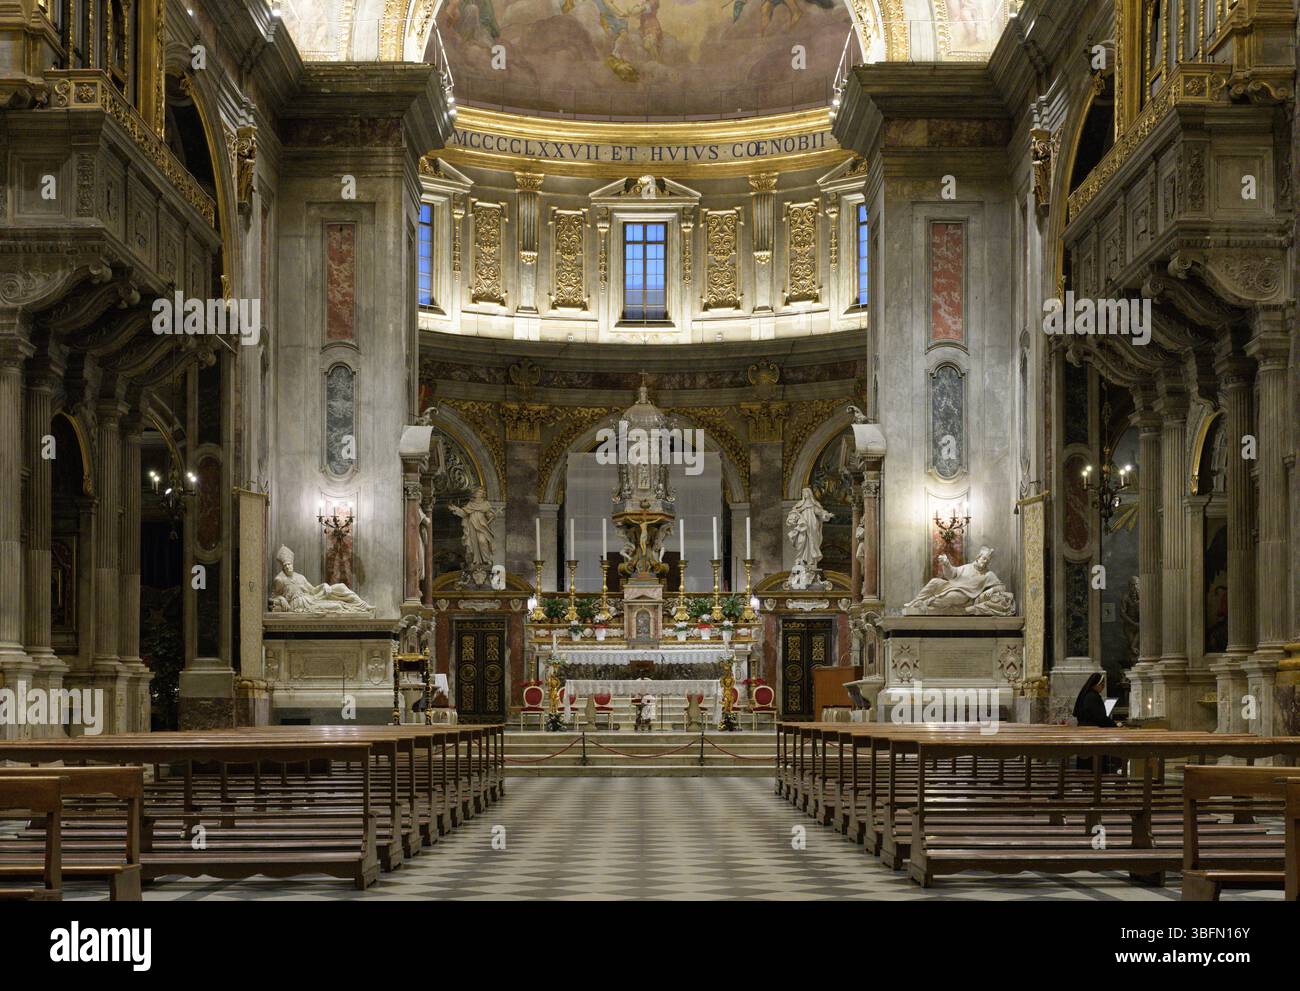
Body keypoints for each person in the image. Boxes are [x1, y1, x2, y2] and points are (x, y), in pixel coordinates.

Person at [1073, 672, 1118, 771]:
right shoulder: (1092, 697)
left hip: (1087, 732)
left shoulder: (1089, 695)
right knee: (1092, 762)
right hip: (1092, 734)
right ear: (1096, 684)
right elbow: (1100, 718)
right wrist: (1115, 725)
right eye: (1102, 684)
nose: (1103, 687)